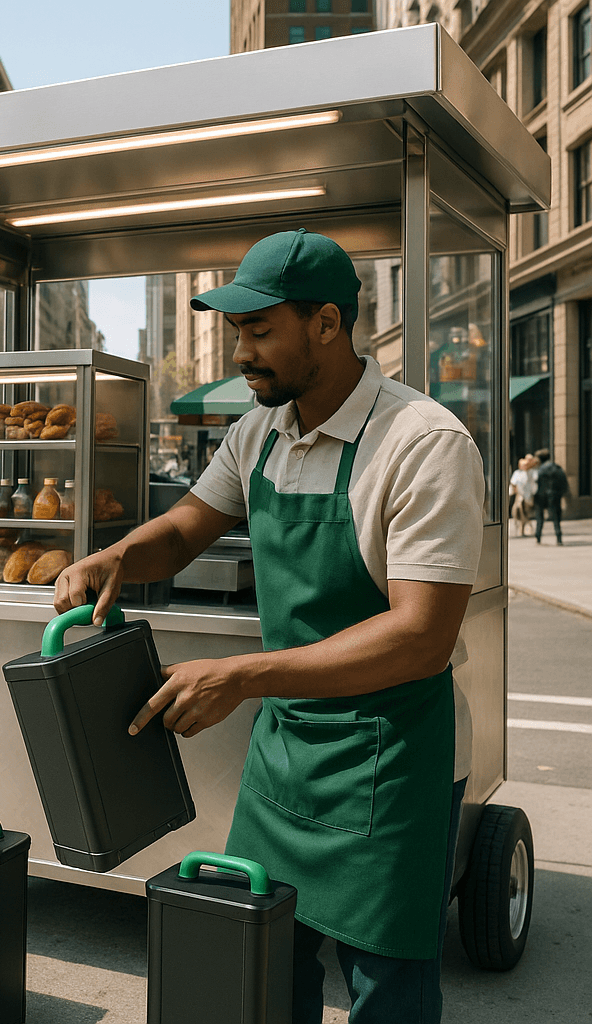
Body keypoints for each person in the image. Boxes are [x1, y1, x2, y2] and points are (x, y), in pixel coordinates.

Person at [54, 229, 485, 1024]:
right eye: (235, 332)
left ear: (327, 324)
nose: (241, 353)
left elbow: (422, 636)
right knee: (263, 968)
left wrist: (243, 675)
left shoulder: (423, 443)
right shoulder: (258, 431)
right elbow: (184, 529)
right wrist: (116, 556)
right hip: (287, 749)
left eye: (259, 330)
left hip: (393, 758)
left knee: (388, 991)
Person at [532, 447, 569, 545]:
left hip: (541, 495)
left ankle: (538, 536)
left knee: (539, 517)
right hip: (554, 495)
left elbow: (535, 483)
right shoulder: (557, 468)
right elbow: (564, 482)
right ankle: (558, 537)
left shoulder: (539, 469)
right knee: (556, 517)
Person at [509, 454, 537, 537]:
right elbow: (513, 483)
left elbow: (534, 483)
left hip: (528, 496)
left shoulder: (532, 473)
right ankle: (521, 529)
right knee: (519, 512)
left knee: (526, 513)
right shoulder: (517, 473)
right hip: (520, 496)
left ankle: (525, 528)